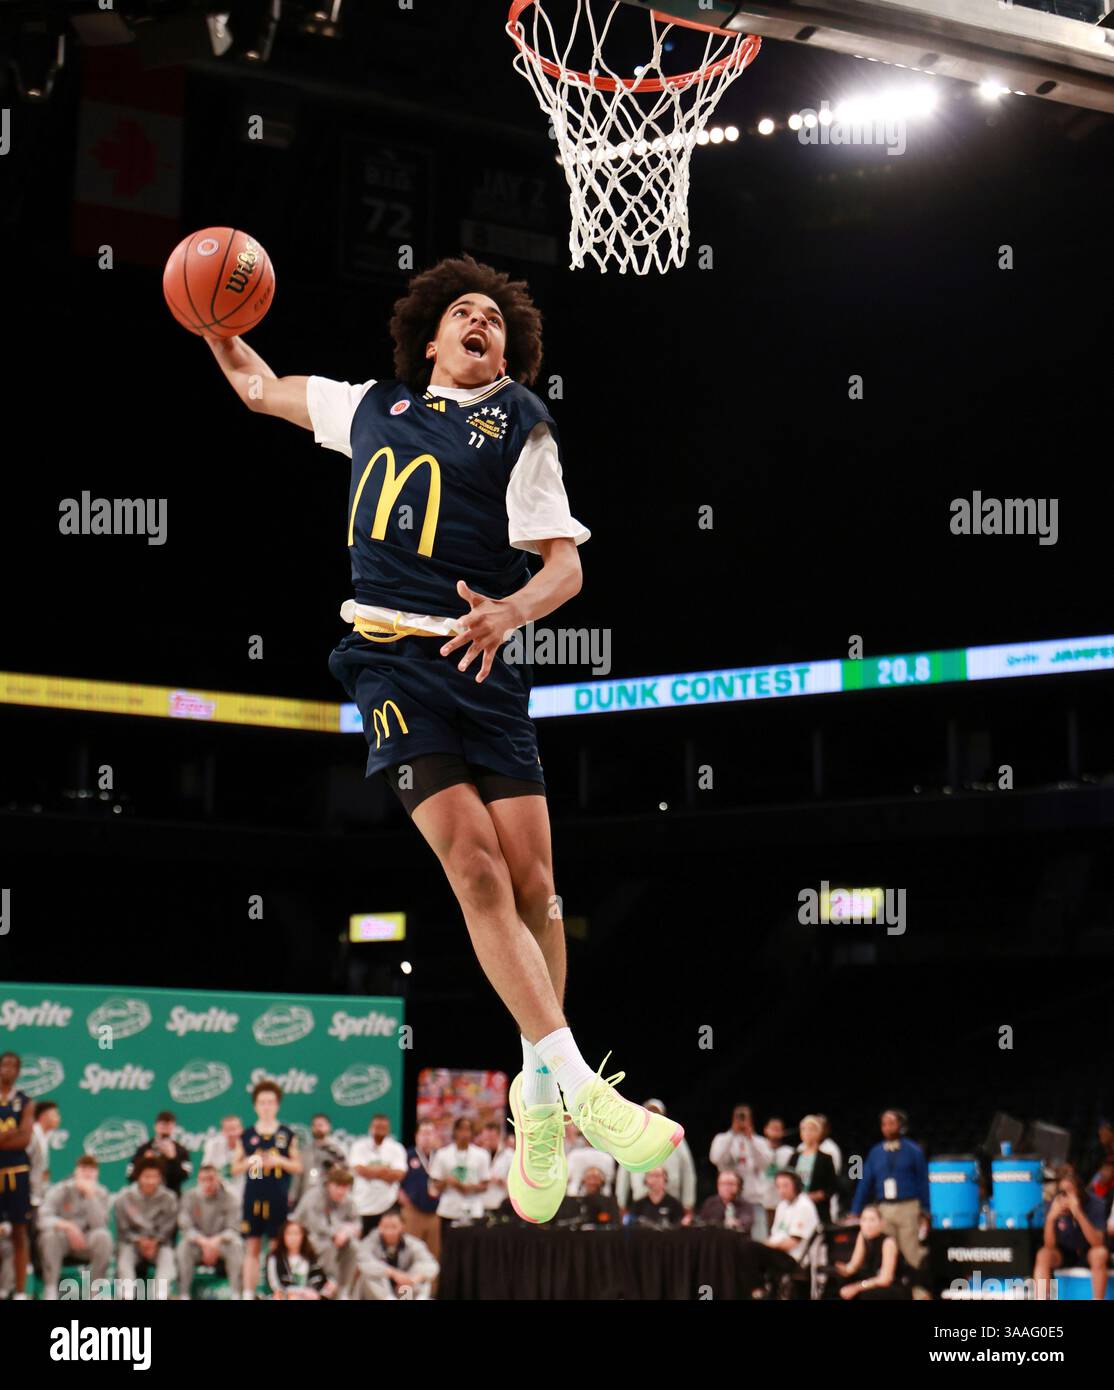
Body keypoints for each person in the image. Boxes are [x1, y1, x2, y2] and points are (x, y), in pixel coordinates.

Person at [205, 254, 679, 1226]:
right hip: (390, 666)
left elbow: (564, 572)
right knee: (473, 870)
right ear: (429, 339)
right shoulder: (369, 405)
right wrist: (215, 324)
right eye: (462, 312)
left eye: (495, 320)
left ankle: (534, 1093)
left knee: (539, 887)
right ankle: (583, 1086)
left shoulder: (523, 428)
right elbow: (258, 389)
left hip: (484, 660)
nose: (480, 323)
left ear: (507, 349)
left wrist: (511, 612)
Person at [233, 1079, 302, 1300]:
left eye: (270, 1102)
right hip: (253, 1195)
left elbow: (298, 1166)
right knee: (251, 1246)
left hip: (277, 1196)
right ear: (255, 1105)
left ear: (277, 1105)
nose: (266, 1106)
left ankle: (276, 1292)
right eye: (262, 1102)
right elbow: (234, 1168)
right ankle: (248, 1293)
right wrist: (253, 1161)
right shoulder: (246, 1135)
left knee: (275, 1246)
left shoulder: (287, 1134)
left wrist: (278, 1161)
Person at [850, 1109, 929, 1270]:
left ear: (901, 1125)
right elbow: (865, 1182)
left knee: (910, 1250)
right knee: (887, 1250)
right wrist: (856, 1209)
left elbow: (923, 1181)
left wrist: (925, 1210)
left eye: (891, 1123)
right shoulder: (875, 1152)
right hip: (884, 1208)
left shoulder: (914, 1150)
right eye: (884, 1124)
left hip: (908, 1205)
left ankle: (918, 1290)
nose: (887, 1127)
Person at [37, 1155, 113, 1300]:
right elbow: (43, 1218)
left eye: (92, 1169)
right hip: (62, 1240)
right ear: (76, 1171)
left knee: (104, 1237)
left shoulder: (102, 1193)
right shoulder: (61, 1189)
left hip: (86, 1241)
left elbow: (100, 1225)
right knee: (49, 1236)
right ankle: (50, 1289)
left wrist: (90, 1196)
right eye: (83, 1169)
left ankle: (96, 1290)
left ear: (97, 1173)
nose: (87, 1173)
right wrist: (67, 1226)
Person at [1034, 1167, 1109, 1300]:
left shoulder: (1097, 1204)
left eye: (1070, 1192)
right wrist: (1051, 1217)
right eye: (1063, 1192)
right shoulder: (1054, 1205)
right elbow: (1049, 1245)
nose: (1066, 1197)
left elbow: (1098, 1243)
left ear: (1079, 1191)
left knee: (1100, 1254)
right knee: (1043, 1254)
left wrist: (1079, 1213)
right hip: (1065, 1253)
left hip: (1088, 1251)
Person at [615, 1099, 696, 1221]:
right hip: (640, 1201)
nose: (653, 1116)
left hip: (671, 1201)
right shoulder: (632, 1137)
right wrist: (621, 1203)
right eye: (649, 1112)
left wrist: (688, 1202)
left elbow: (687, 1171)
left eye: (656, 1113)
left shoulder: (675, 1136)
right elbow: (623, 1172)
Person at [176, 1163, 244, 1299]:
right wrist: (204, 1242)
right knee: (183, 1248)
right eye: (203, 1180)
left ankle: (237, 1294)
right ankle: (183, 1294)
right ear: (198, 1181)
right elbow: (185, 1226)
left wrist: (215, 1242)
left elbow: (234, 1229)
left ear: (218, 1179)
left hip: (222, 1244)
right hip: (198, 1244)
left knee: (236, 1246)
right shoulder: (190, 1197)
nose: (207, 1183)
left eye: (211, 1179)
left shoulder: (231, 1198)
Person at [112, 1157, 178, 1295]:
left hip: (159, 1245)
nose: (151, 1181)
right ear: (138, 1176)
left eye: (155, 1177)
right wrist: (139, 1241)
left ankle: (161, 1294)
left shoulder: (169, 1198)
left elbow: (169, 1228)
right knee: (124, 1261)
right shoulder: (124, 1197)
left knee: (167, 1259)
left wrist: (155, 1242)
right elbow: (123, 1229)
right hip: (132, 1244)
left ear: (160, 1178)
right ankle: (126, 1295)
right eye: (147, 1176)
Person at [292, 1167, 362, 1297]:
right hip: (305, 1234)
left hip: (335, 1237)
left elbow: (356, 1223)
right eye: (338, 1186)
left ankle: (343, 1289)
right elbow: (315, 1224)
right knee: (326, 1246)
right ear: (329, 1184)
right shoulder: (315, 1196)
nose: (342, 1191)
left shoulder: (348, 1200)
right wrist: (337, 1233)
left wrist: (346, 1233)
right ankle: (324, 1286)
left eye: (345, 1187)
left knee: (354, 1247)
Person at [0, 1051, 36, 1299]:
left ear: (19, 1072)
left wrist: (10, 1137)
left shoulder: (26, 1102)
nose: (8, 1069)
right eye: (4, 1064)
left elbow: (25, 1138)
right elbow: (17, 1134)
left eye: (13, 1066)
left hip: (18, 1173)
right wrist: (10, 1135)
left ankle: (21, 1291)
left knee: (19, 1232)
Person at [709, 1105, 771, 1236]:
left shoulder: (760, 1142)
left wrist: (750, 1139)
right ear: (733, 1119)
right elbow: (716, 1159)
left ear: (750, 1120)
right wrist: (732, 1134)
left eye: (744, 1117)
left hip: (754, 1200)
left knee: (759, 1242)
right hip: (729, 1203)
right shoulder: (722, 1139)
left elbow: (765, 1163)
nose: (741, 1121)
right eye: (739, 1117)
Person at [832, 1203, 912, 1300]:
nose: (867, 1224)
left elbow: (885, 1279)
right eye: (864, 1220)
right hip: (874, 1279)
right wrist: (842, 1269)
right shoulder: (862, 1236)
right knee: (840, 1283)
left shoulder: (888, 1242)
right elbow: (853, 1266)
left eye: (872, 1220)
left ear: (881, 1223)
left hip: (894, 1285)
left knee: (866, 1295)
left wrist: (857, 1287)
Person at [355, 1208, 439, 1301]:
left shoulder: (412, 1243)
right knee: (371, 1272)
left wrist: (414, 1279)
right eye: (385, 1226)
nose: (389, 1231)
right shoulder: (370, 1242)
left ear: (402, 1227)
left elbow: (432, 1265)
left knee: (421, 1270)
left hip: (404, 1291)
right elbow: (363, 1261)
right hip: (378, 1293)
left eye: (394, 1227)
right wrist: (393, 1273)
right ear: (379, 1226)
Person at [430, 1117, 491, 1239]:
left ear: (472, 1133)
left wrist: (469, 1187)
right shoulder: (442, 1154)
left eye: (468, 1130)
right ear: (455, 1132)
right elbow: (435, 1184)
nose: (464, 1134)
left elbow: (485, 1185)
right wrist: (447, 1181)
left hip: (474, 1210)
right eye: (461, 1130)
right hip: (449, 1210)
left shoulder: (482, 1155)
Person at [348, 1113, 408, 1237]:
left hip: (388, 1205)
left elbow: (399, 1174)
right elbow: (359, 1170)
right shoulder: (358, 1146)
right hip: (362, 1205)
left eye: (383, 1127)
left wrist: (371, 1171)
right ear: (370, 1127)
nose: (380, 1130)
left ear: (389, 1129)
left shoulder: (396, 1148)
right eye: (377, 1126)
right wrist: (385, 1170)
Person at [398, 1120, 442, 1263]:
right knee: (410, 1254)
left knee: (433, 1256)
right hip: (413, 1212)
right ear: (416, 1135)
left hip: (436, 1214)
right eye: (423, 1133)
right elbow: (395, 1180)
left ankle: (432, 1286)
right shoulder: (406, 1155)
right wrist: (399, 1194)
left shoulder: (441, 1156)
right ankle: (407, 1286)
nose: (426, 1137)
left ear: (435, 1136)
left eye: (430, 1133)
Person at [127, 1110, 192, 1196]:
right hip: (145, 1199)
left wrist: (172, 1158)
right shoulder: (143, 1149)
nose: (165, 1128)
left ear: (174, 1127)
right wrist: (144, 1162)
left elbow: (185, 1177)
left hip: (172, 1199)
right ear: (155, 1126)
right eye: (162, 1125)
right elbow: (130, 1177)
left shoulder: (181, 1150)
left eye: (168, 1125)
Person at [788, 1115, 839, 1224]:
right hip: (797, 1208)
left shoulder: (825, 1158)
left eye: (811, 1129)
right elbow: (788, 1179)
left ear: (819, 1132)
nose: (807, 1132)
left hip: (818, 1209)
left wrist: (817, 1195)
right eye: (804, 1129)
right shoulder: (794, 1157)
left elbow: (832, 1186)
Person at [266, 1220, 331, 1300]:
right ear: (283, 1236)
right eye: (289, 1234)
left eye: (296, 1234)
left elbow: (320, 1281)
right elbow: (276, 1285)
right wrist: (301, 1292)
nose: (293, 1237)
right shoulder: (274, 1257)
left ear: (303, 1236)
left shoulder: (311, 1258)